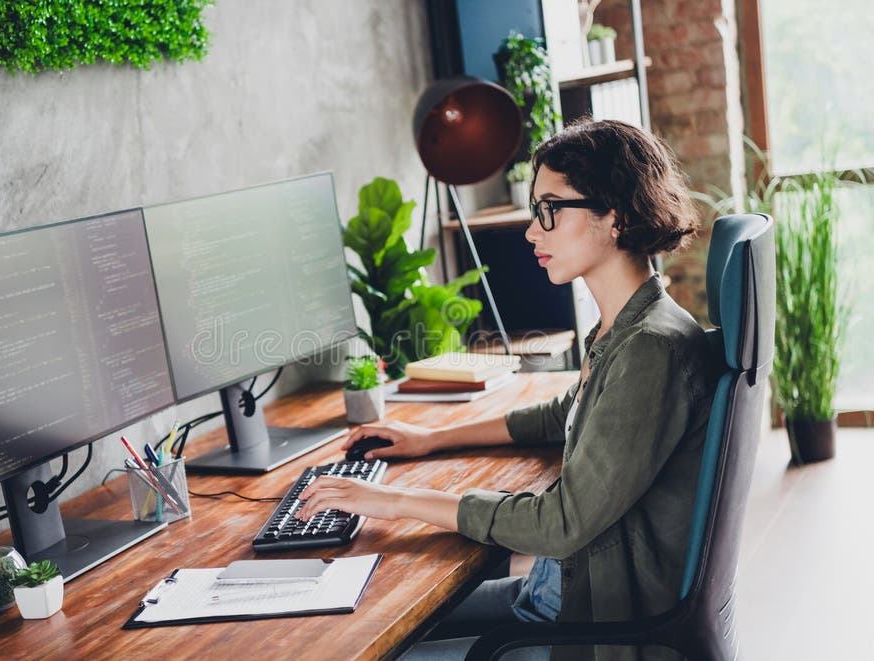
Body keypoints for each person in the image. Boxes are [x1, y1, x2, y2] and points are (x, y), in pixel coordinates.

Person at [297, 119, 719, 661]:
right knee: (365, 620)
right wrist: (431, 438)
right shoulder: (626, 329)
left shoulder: (650, 350)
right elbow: (564, 414)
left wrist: (394, 500)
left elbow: (561, 522)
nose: (531, 231)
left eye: (550, 209)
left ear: (615, 216)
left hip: (588, 621)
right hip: (557, 591)